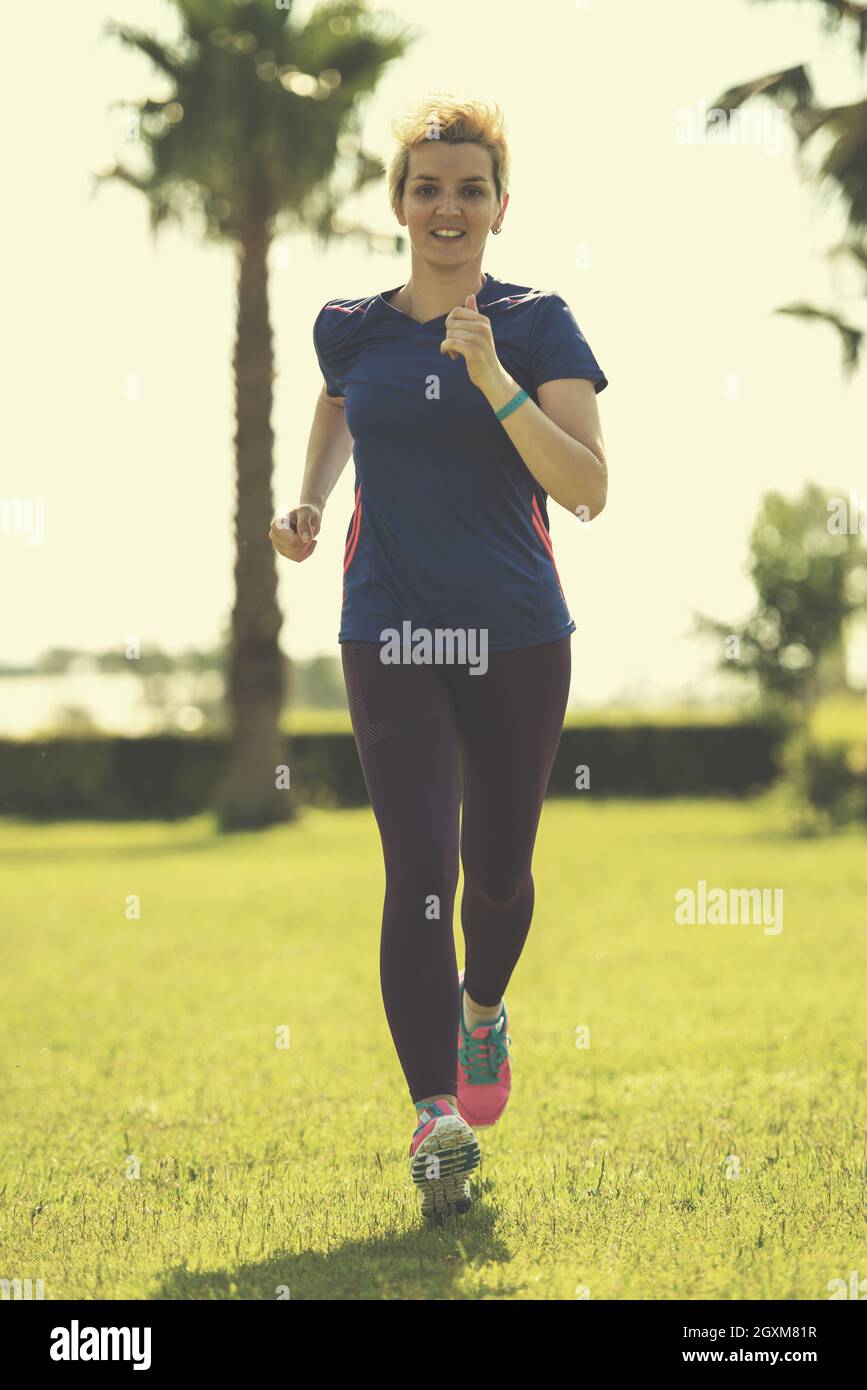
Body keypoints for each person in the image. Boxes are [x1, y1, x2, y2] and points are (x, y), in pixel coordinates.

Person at [270, 96, 609, 1222]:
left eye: (470, 188)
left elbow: (588, 488)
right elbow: (337, 405)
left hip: (517, 635)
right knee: (421, 863)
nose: (448, 207)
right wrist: (310, 498)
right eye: (428, 188)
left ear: (500, 205)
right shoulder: (352, 325)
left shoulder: (539, 323)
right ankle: (436, 1118)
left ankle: (483, 1010)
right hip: (391, 629)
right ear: (399, 205)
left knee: (500, 874)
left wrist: (494, 377)